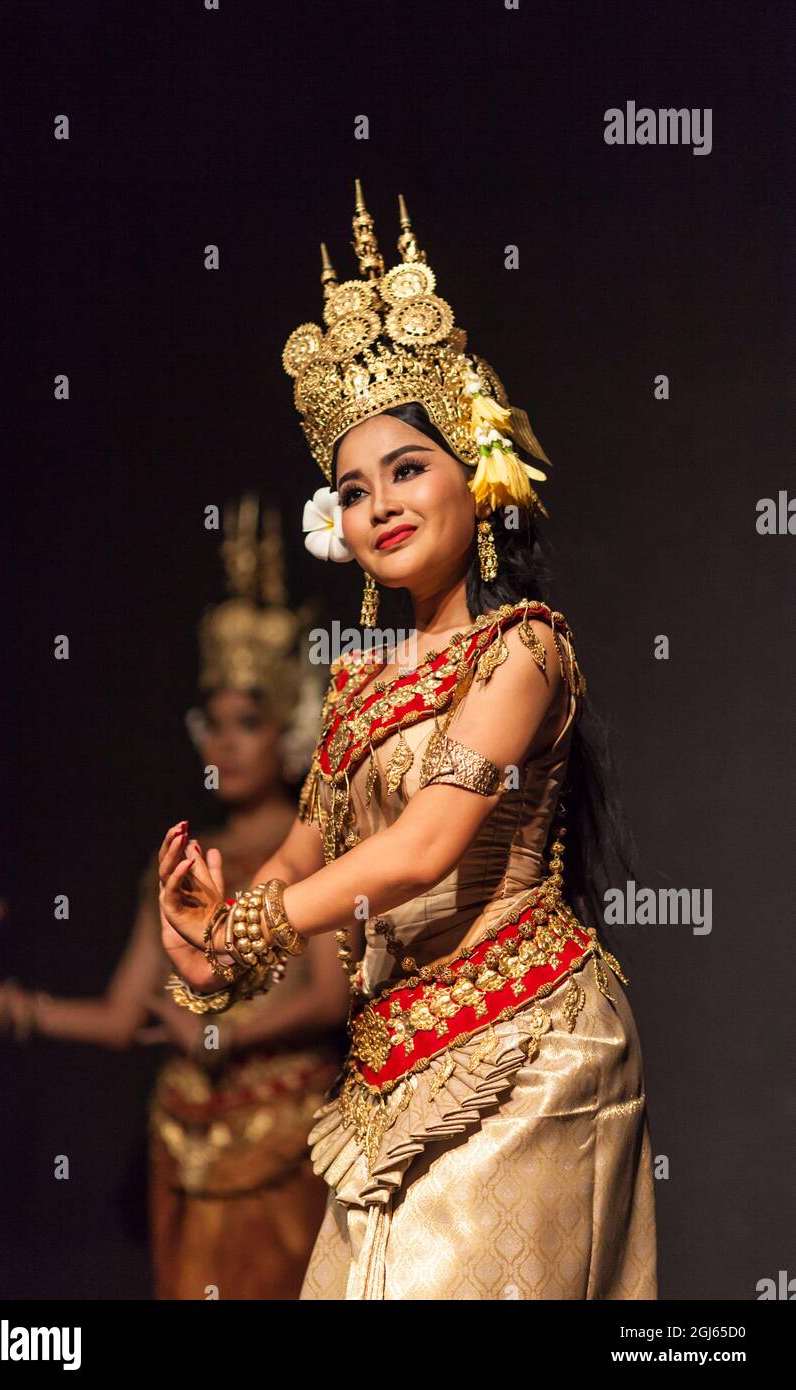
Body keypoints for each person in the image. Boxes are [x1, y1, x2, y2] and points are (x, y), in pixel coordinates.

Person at [157, 182, 658, 1300]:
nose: (376, 503)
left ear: (471, 482)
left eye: (406, 468)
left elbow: (426, 844)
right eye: (349, 488)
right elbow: (309, 844)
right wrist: (215, 944)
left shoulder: (520, 653)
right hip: (390, 1066)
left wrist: (259, 918)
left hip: (527, 1054)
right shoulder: (356, 680)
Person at [0, 496, 351, 1301]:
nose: (221, 743)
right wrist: (3, 1001)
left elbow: (331, 996)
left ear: (290, 730)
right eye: (211, 722)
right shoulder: (185, 858)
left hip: (289, 1141)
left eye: (246, 723)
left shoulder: (319, 843)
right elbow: (126, 1013)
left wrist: (229, 1042)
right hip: (183, 1141)